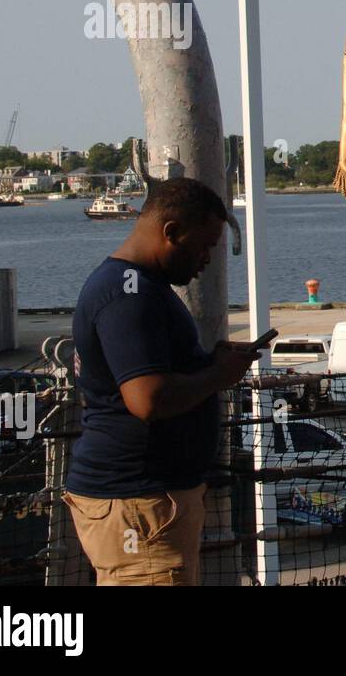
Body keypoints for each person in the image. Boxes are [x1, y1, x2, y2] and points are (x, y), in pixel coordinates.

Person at [64, 177, 258, 585]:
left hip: (146, 502)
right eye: (203, 246)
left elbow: (152, 374)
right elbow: (146, 400)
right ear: (170, 232)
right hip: (139, 504)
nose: (206, 260)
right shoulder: (129, 295)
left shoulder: (136, 287)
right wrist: (218, 375)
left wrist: (207, 363)